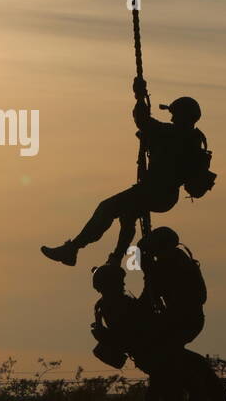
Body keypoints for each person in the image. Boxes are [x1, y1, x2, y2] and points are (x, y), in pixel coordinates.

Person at [42, 76, 212, 268]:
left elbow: (143, 121)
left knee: (107, 208)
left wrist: (139, 97)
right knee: (128, 215)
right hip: (162, 194)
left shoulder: (174, 134)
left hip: (155, 192)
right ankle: (114, 258)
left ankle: (73, 249)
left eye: (174, 114)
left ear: (182, 116)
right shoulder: (191, 138)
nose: (171, 117)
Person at [87, 257, 226, 401]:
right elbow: (138, 318)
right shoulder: (114, 305)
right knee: (196, 382)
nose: (123, 284)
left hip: (158, 353)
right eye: (119, 281)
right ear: (109, 285)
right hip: (155, 355)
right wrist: (149, 278)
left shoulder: (111, 304)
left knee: (198, 377)